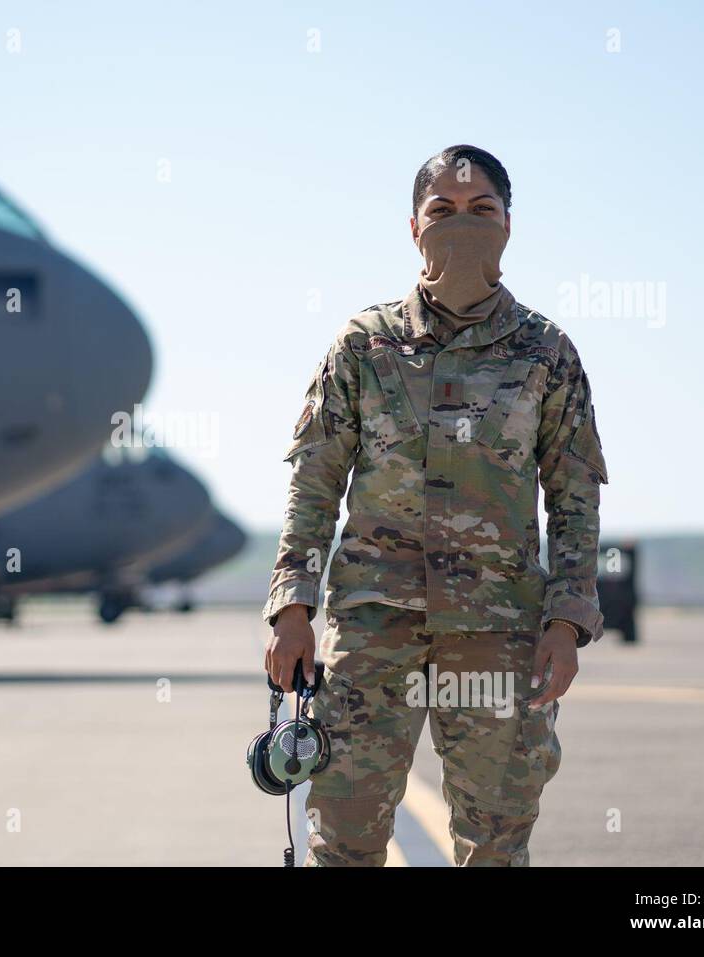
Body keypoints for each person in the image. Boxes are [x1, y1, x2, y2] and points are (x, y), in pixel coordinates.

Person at [263, 145, 608, 867]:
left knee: (496, 843)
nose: (463, 225)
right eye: (443, 211)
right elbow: (314, 481)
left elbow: (573, 497)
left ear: (509, 225)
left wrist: (567, 622)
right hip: (373, 630)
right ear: (414, 228)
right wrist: (292, 608)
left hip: (499, 633)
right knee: (345, 838)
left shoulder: (546, 353)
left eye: (481, 210)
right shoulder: (364, 346)